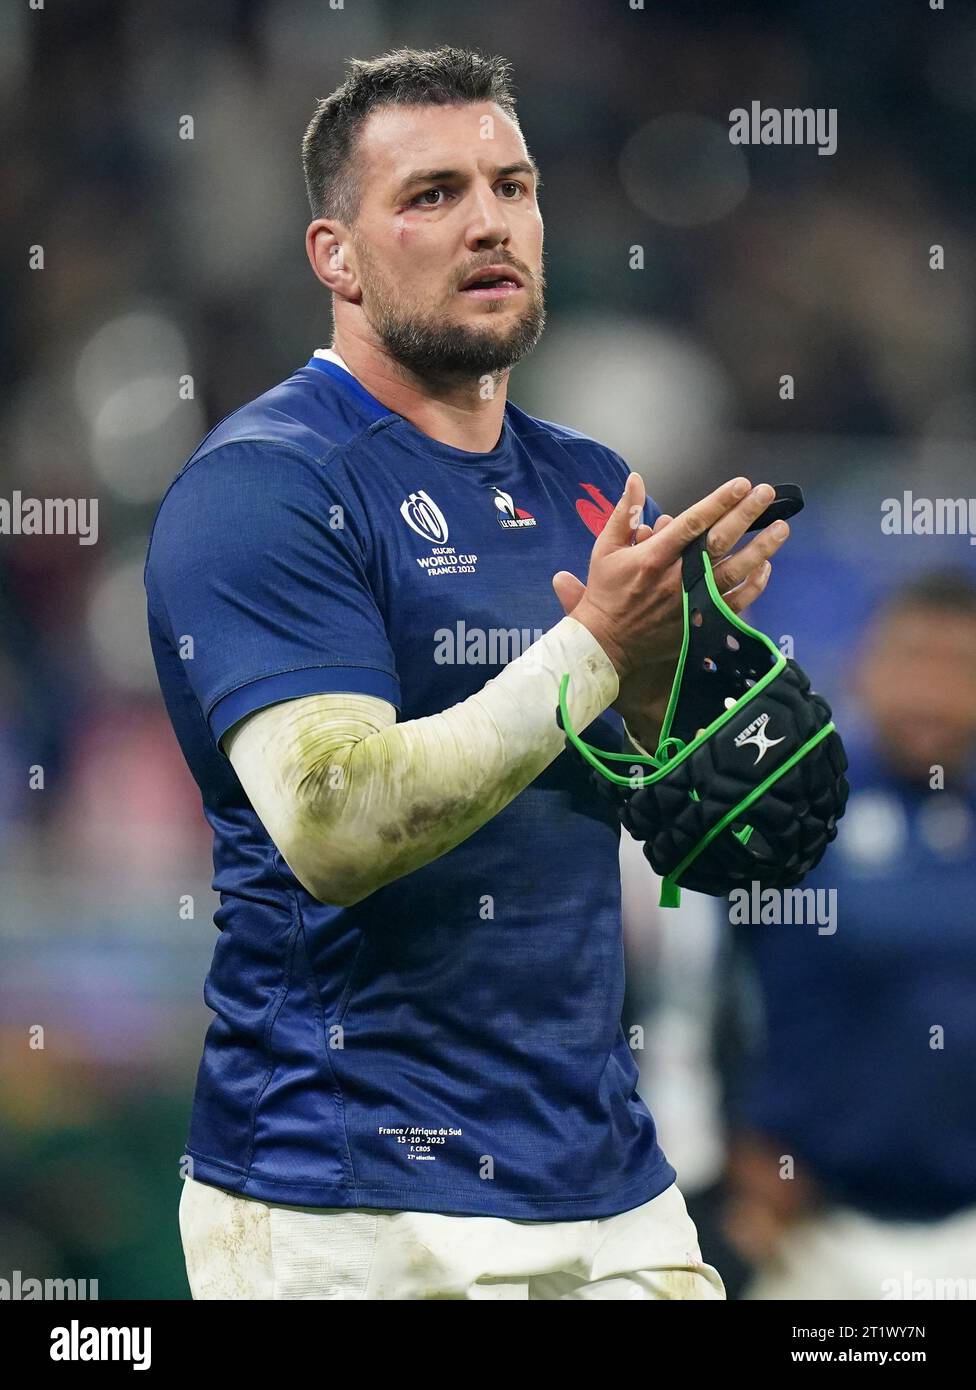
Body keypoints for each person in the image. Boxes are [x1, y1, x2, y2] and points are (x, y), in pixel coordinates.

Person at [145, 45, 787, 1300]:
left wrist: (676, 690)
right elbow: (334, 824)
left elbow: (691, 835)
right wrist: (596, 646)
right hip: (349, 1198)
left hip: (607, 1180)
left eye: (513, 183)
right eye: (432, 194)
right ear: (336, 254)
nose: (488, 220)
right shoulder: (266, 486)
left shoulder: (591, 485)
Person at [724, 569, 976, 1300]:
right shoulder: (790, 812)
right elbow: (704, 991)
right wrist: (736, 1151)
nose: (930, 689)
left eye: (958, 666)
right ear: (863, 666)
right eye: (911, 659)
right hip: (810, 1231)